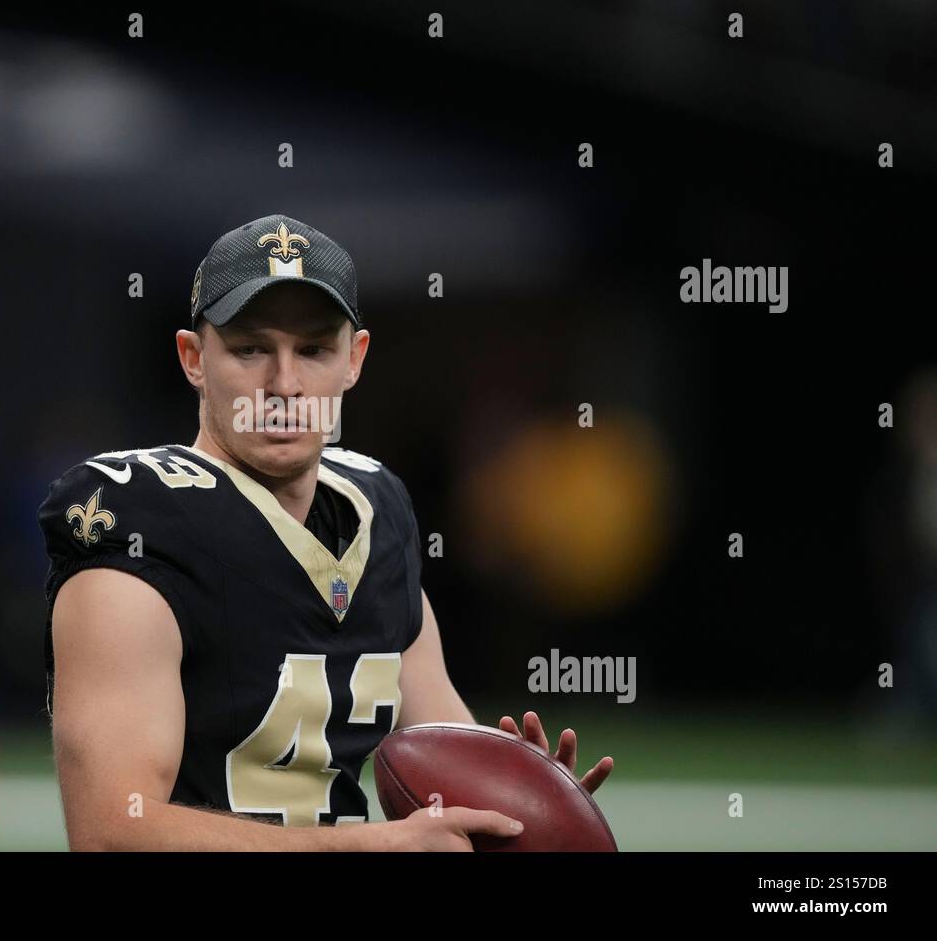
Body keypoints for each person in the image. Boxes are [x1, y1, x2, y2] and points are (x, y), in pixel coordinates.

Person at [37, 214, 613, 850]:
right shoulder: (142, 528)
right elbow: (112, 830)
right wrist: (367, 847)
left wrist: (513, 798)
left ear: (355, 360)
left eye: (313, 350)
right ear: (194, 359)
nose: (284, 386)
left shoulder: (379, 511)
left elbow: (440, 739)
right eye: (251, 348)